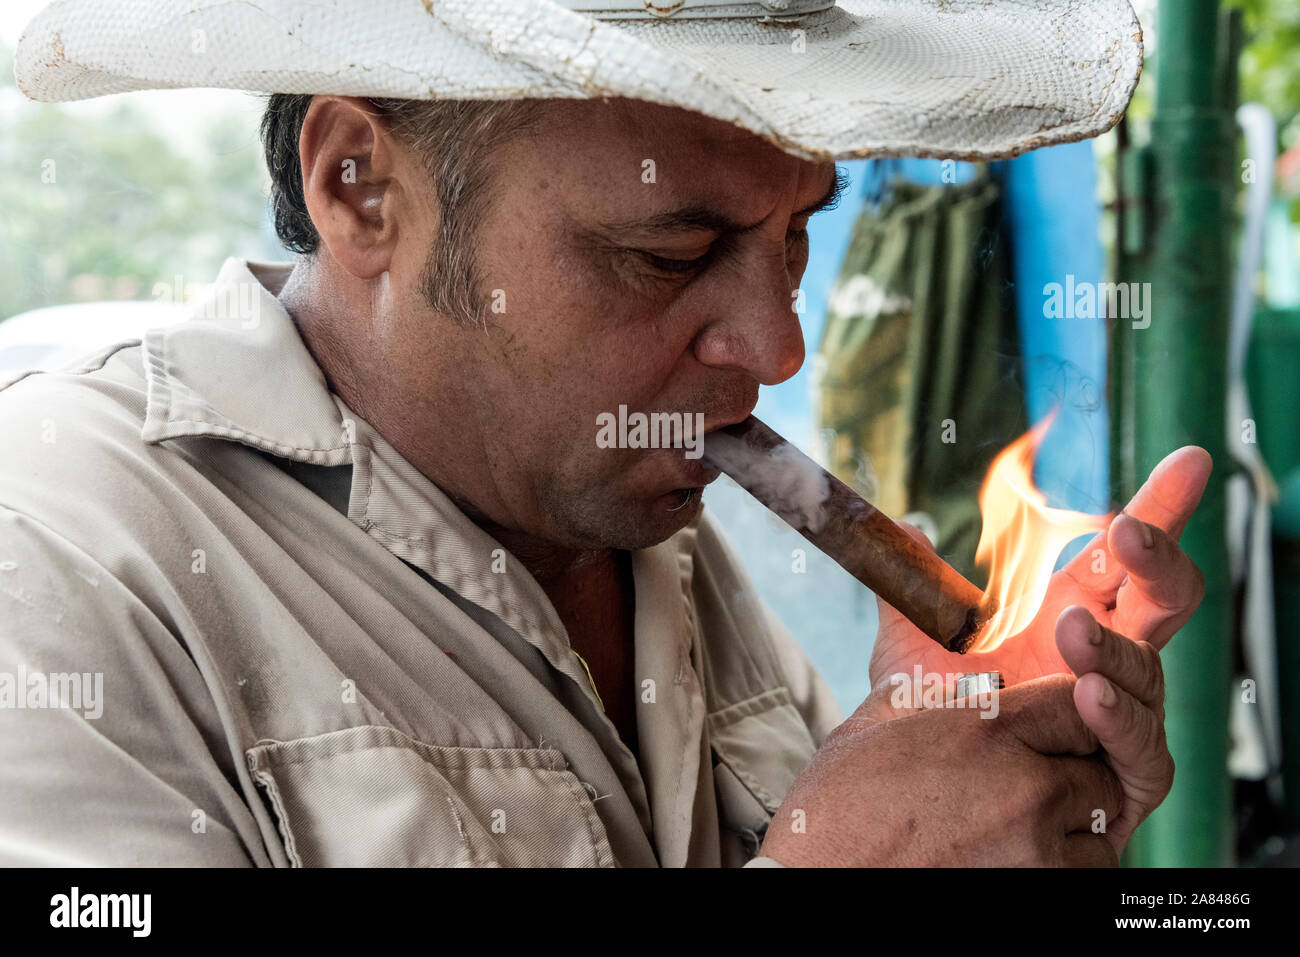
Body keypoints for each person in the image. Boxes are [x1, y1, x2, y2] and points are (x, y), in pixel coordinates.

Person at [0, 0, 1205, 867]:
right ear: (361, 186)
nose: (776, 347)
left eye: (792, 239)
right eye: (667, 255)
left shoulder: (647, 527)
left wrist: (962, 773)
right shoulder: (61, 548)